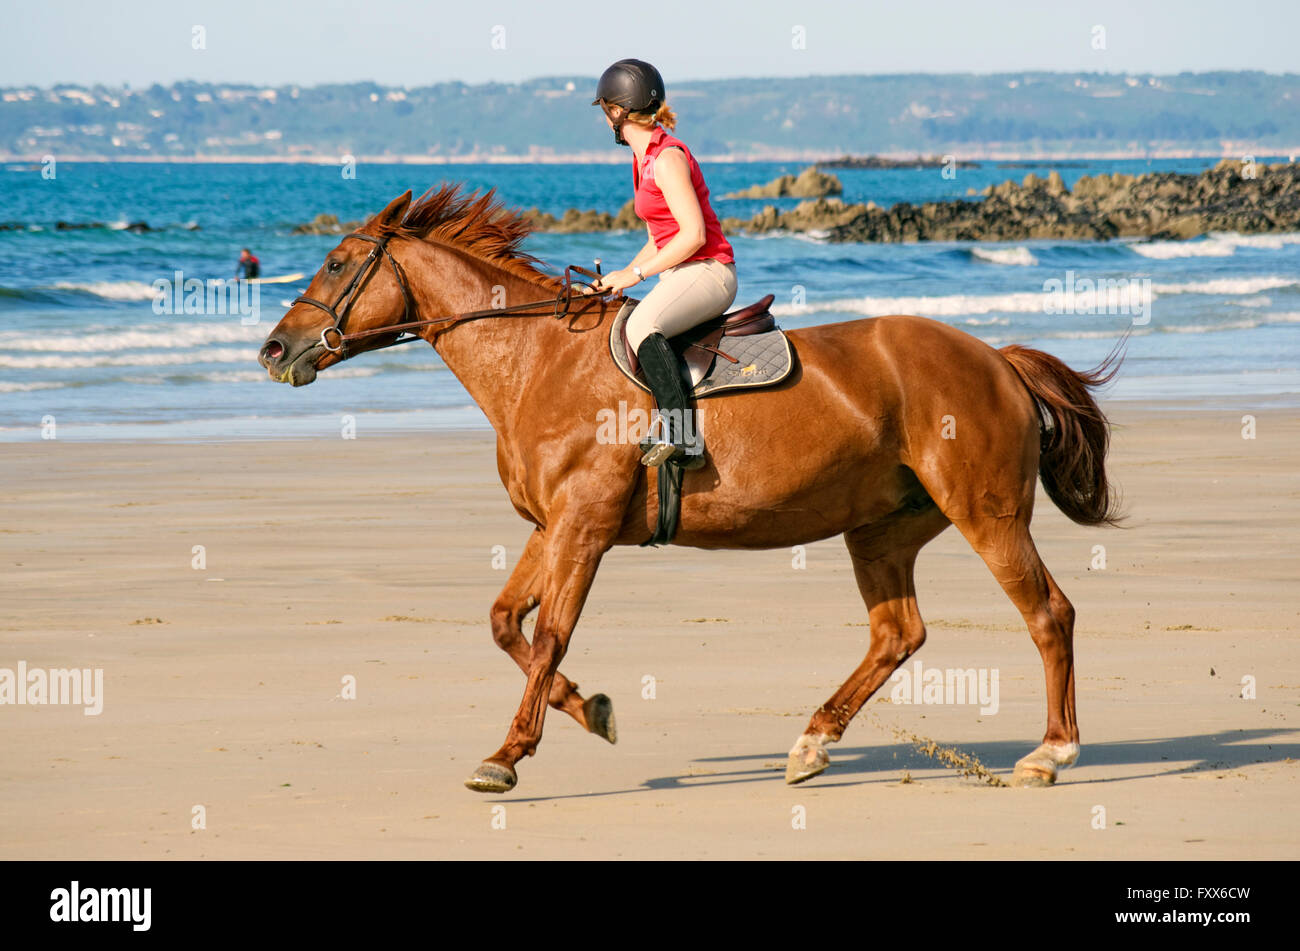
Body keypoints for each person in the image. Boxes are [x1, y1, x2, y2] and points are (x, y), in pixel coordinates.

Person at [588, 58, 737, 469]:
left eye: (605, 111)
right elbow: (659, 238)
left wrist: (635, 274)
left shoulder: (666, 158)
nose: (605, 119)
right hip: (682, 272)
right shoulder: (644, 158)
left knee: (641, 325)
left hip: (709, 271)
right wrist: (619, 279)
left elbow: (693, 236)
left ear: (617, 112)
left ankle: (683, 437)